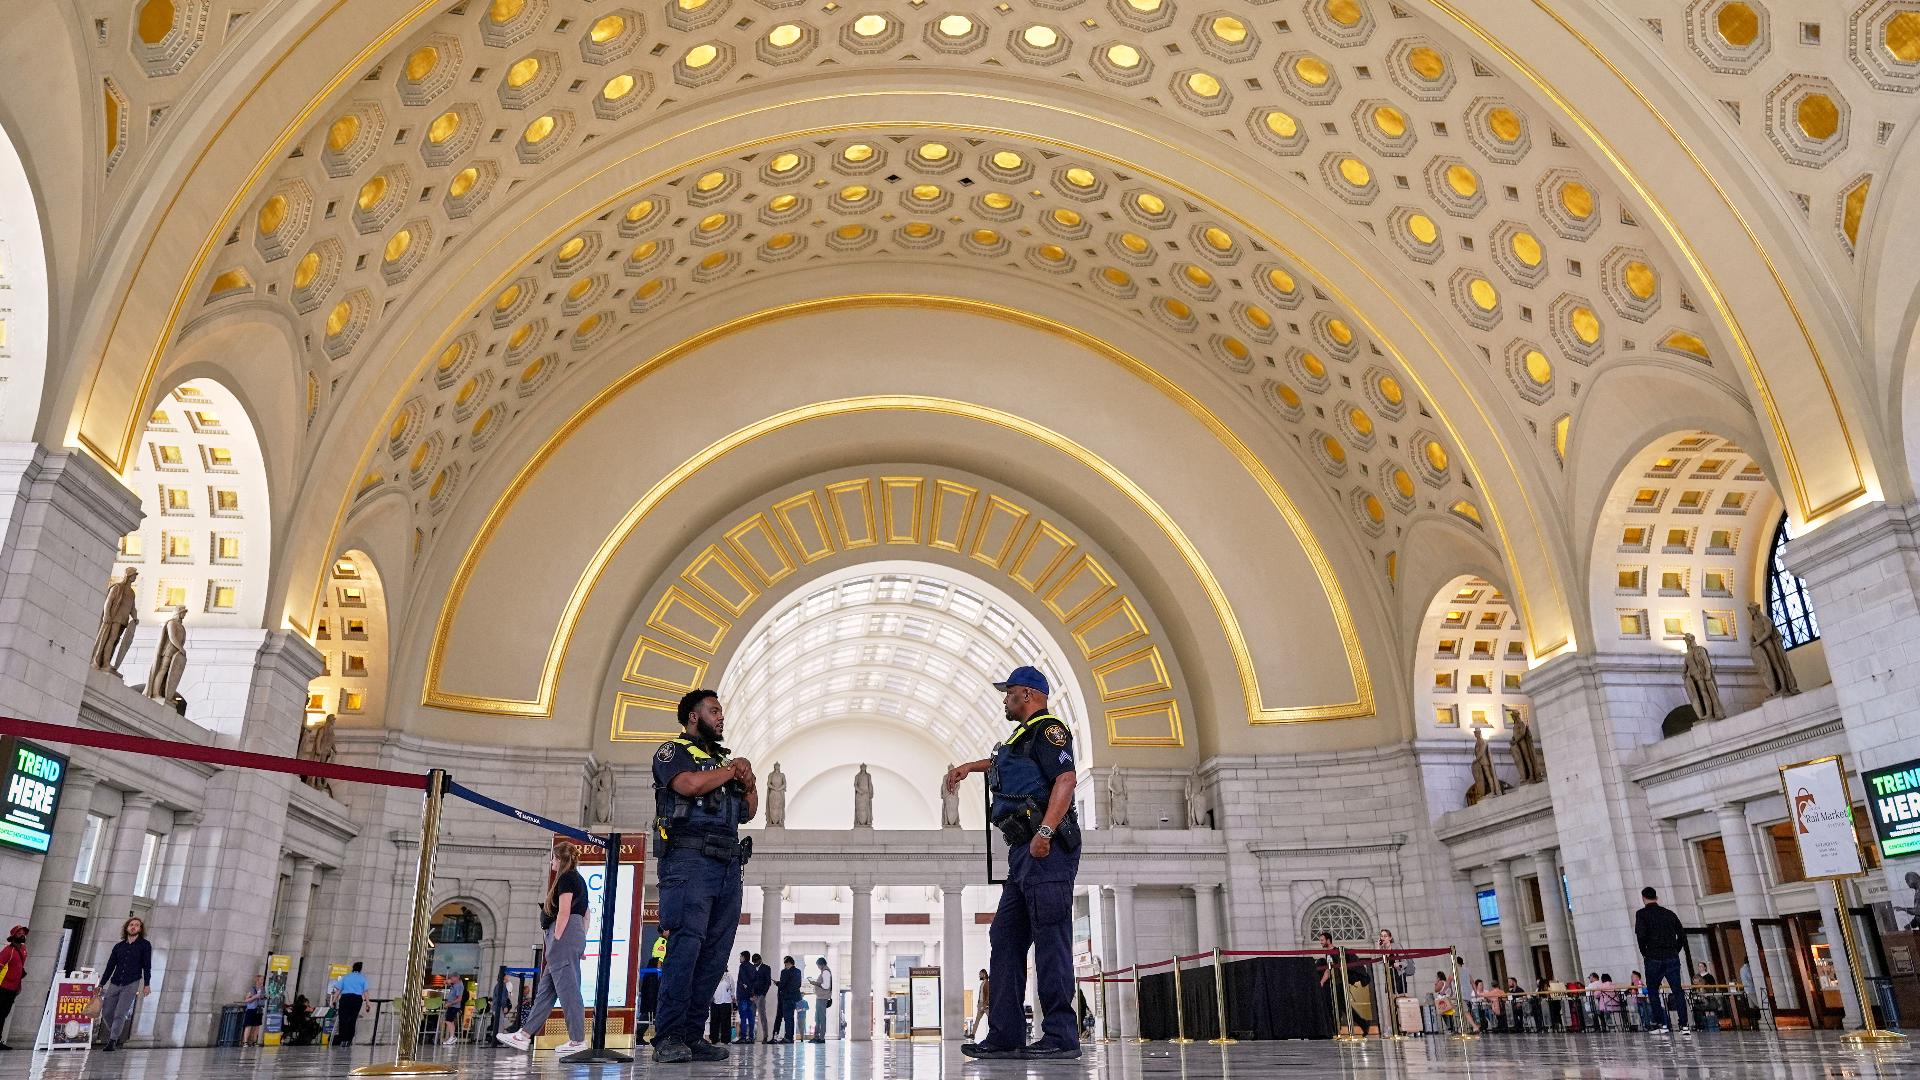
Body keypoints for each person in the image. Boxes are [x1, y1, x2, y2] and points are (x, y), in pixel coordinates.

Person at [949, 666, 1083, 1061]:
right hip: (1022, 853)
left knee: (1050, 940)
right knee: (1004, 938)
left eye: (1008, 694)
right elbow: (1003, 763)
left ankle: (1060, 1035)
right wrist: (968, 769)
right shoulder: (1020, 737)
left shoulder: (1048, 730)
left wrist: (1044, 833)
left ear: (1026, 694)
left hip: (1047, 848)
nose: (1004, 700)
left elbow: (1066, 780)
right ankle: (1005, 1036)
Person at [650, 689, 757, 1064]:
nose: (720, 717)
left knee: (714, 956)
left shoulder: (721, 761)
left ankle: (693, 1036)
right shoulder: (672, 752)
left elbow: (747, 811)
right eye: (714, 711)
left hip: (728, 865)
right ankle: (668, 1037)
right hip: (688, 860)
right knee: (686, 949)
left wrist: (750, 780)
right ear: (694, 716)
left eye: (721, 711)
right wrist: (733, 770)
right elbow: (688, 786)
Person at [496, 846, 591, 1056]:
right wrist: (580, 942)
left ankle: (577, 1041)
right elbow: (587, 915)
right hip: (572, 936)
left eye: (553, 859)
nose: (551, 863)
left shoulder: (567, 878)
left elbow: (564, 912)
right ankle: (524, 1034)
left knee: (569, 991)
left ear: (559, 859)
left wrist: (556, 941)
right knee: (546, 992)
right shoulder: (579, 880)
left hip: (562, 937)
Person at [1633, 886, 1688, 1035]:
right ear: (1656, 898)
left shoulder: (1642, 914)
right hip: (1671, 956)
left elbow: (1641, 936)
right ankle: (1684, 1026)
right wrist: (1674, 951)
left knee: (1653, 991)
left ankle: (1661, 1024)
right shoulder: (1669, 914)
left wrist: (1646, 953)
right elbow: (1682, 936)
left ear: (1643, 898)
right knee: (1677, 991)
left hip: (1653, 957)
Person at [96, 916, 152, 1052]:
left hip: (131, 982)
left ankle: (112, 1040)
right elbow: (110, 966)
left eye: (137, 925)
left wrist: (147, 984)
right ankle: (116, 1033)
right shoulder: (119, 946)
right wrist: (101, 984)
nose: (134, 927)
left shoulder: (144, 945)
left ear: (140, 929)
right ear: (127, 927)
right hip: (115, 982)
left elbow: (147, 966)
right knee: (107, 1011)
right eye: (131, 924)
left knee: (120, 1012)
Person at [331, 962, 368, 1046]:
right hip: (356, 1000)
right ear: (360, 969)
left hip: (345, 998)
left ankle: (342, 1039)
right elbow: (365, 992)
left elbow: (338, 990)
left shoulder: (346, 977)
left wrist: (334, 1000)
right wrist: (367, 1004)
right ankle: (349, 1039)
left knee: (343, 1019)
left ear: (353, 968)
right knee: (352, 1019)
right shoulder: (362, 978)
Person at [0, 925, 25, 1051]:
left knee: (4, 1014)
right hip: (3, 988)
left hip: (12, 989)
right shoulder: (8, 951)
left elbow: (19, 970)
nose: (22, 934)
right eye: (19, 932)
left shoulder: (23, 950)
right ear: (14, 936)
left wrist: (18, 986)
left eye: (23, 932)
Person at [772, 957, 801, 1043]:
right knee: (790, 1018)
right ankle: (790, 1037)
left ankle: (788, 1037)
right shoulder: (798, 971)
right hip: (795, 998)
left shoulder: (784, 972)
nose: (785, 965)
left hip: (786, 998)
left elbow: (783, 984)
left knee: (787, 1018)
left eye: (785, 963)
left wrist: (778, 983)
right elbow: (797, 985)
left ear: (787, 963)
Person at [805, 958, 833, 1042]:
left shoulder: (826, 972)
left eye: (818, 965)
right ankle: (816, 1036)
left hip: (822, 998)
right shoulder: (824, 972)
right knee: (817, 1018)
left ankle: (821, 1038)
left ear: (821, 964)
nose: (818, 967)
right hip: (820, 998)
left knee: (821, 1018)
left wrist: (815, 983)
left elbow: (826, 986)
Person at [733, 951, 755, 1043]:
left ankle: (743, 1037)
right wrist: (752, 994)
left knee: (743, 1017)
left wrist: (748, 994)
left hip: (744, 997)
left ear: (744, 957)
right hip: (751, 997)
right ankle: (751, 1037)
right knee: (751, 1018)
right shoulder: (753, 967)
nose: (740, 958)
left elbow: (744, 982)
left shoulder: (742, 966)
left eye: (741, 956)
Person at [708, 968, 734, 1046]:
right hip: (715, 1001)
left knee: (726, 1021)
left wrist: (732, 995)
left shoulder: (729, 976)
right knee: (714, 1021)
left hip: (726, 1001)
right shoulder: (713, 975)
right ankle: (714, 1039)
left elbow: (732, 987)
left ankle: (726, 1039)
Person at [750, 954, 772, 1044]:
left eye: (756, 961)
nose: (755, 963)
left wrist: (763, 994)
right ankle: (751, 1037)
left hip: (760, 995)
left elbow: (768, 982)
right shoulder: (751, 968)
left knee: (762, 1016)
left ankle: (765, 1036)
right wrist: (751, 994)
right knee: (751, 1016)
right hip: (752, 995)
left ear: (760, 960)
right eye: (754, 961)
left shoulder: (766, 968)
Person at [440, 975, 465, 1044]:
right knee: (450, 1021)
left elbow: (459, 999)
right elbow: (449, 982)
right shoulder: (455, 985)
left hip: (454, 1006)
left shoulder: (459, 986)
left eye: (452, 979)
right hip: (452, 1006)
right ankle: (452, 1037)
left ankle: (452, 1037)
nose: (451, 980)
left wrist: (449, 1003)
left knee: (448, 1020)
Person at [490, 971, 513, 1043]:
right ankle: (499, 1039)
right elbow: (502, 997)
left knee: (498, 1023)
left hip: (496, 1006)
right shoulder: (502, 985)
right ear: (504, 977)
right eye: (507, 976)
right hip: (499, 1007)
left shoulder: (499, 985)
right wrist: (505, 1006)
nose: (508, 977)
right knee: (500, 1023)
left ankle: (497, 1038)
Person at [243, 974, 267, 1046]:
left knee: (257, 1026)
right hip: (251, 1009)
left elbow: (263, 997)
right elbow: (246, 1000)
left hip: (259, 1009)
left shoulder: (263, 989)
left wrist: (265, 997)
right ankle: (245, 1042)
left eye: (263, 979)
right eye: (261, 979)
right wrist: (255, 997)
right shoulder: (252, 989)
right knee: (249, 1025)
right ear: (257, 980)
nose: (263, 981)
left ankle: (254, 1041)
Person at [970, 968, 990, 1038]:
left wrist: (985, 1005)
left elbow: (987, 995)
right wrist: (979, 1003)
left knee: (991, 1019)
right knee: (977, 1020)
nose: (979, 976)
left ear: (984, 974)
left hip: (985, 1005)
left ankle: (994, 1034)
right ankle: (972, 1034)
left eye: (980, 974)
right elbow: (981, 994)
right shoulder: (983, 983)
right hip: (981, 1004)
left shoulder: (987, 983)